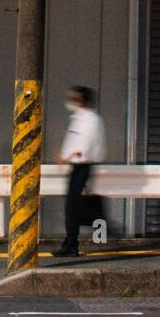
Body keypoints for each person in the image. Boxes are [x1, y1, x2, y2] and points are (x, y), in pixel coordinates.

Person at [52, 86, 106, 257]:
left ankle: (71, 245)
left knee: (72, 207)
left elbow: (83, 144)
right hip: (77, 166)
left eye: (74, 98)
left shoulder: (89, 119)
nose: (70, 101)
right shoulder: (80, 118)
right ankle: (70, 243)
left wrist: (66, 157)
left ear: (81, 100)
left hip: (82, 166)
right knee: (72, 207)